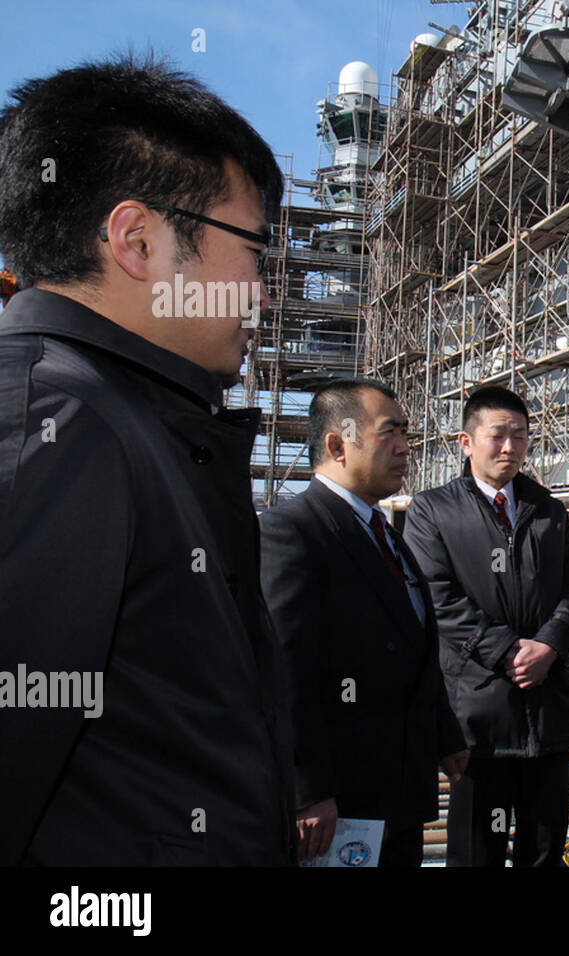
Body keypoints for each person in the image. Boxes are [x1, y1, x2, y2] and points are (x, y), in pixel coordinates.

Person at [0, 56, 296, 865]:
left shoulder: (120, 415)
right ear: (138, 240)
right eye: (254, 251)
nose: (261, 291)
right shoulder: (53, 424)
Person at [260, 379, 468, 866]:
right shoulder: (292, 533)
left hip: (397, 789)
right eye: (389, 433)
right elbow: (283, 671)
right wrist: (306, 789)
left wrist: (443, 735)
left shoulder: (382, 532)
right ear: (337, 444)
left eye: (406, 433)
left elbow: (413, 639)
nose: (404, 448)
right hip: (341, 799)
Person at [404, 386, 569, 867]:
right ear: (466, 442)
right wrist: (509, 652)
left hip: (548, 708)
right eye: (498, 436)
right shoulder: (432, 511)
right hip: (478, 715)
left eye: (521, 436)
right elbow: (438, 596)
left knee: (545, 848)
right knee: (475, 851)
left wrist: (549, 645)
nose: (510, 447)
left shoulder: (547, 508)